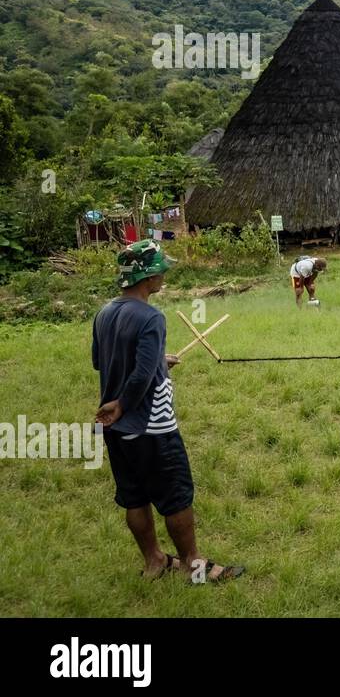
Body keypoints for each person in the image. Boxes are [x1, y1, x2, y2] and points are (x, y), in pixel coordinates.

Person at [92, 241, 243, 584]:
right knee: (175, 496)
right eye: (160, 269)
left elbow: (102, 362)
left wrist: (156, 363)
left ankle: (155, 561)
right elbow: (142, 376)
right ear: (148, 276)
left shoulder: (105, 313)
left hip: (116, 429)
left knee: (134, 496)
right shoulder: (150, 317)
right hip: (151, 425)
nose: (164, 274)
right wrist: (127, 401)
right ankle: (193, 566)